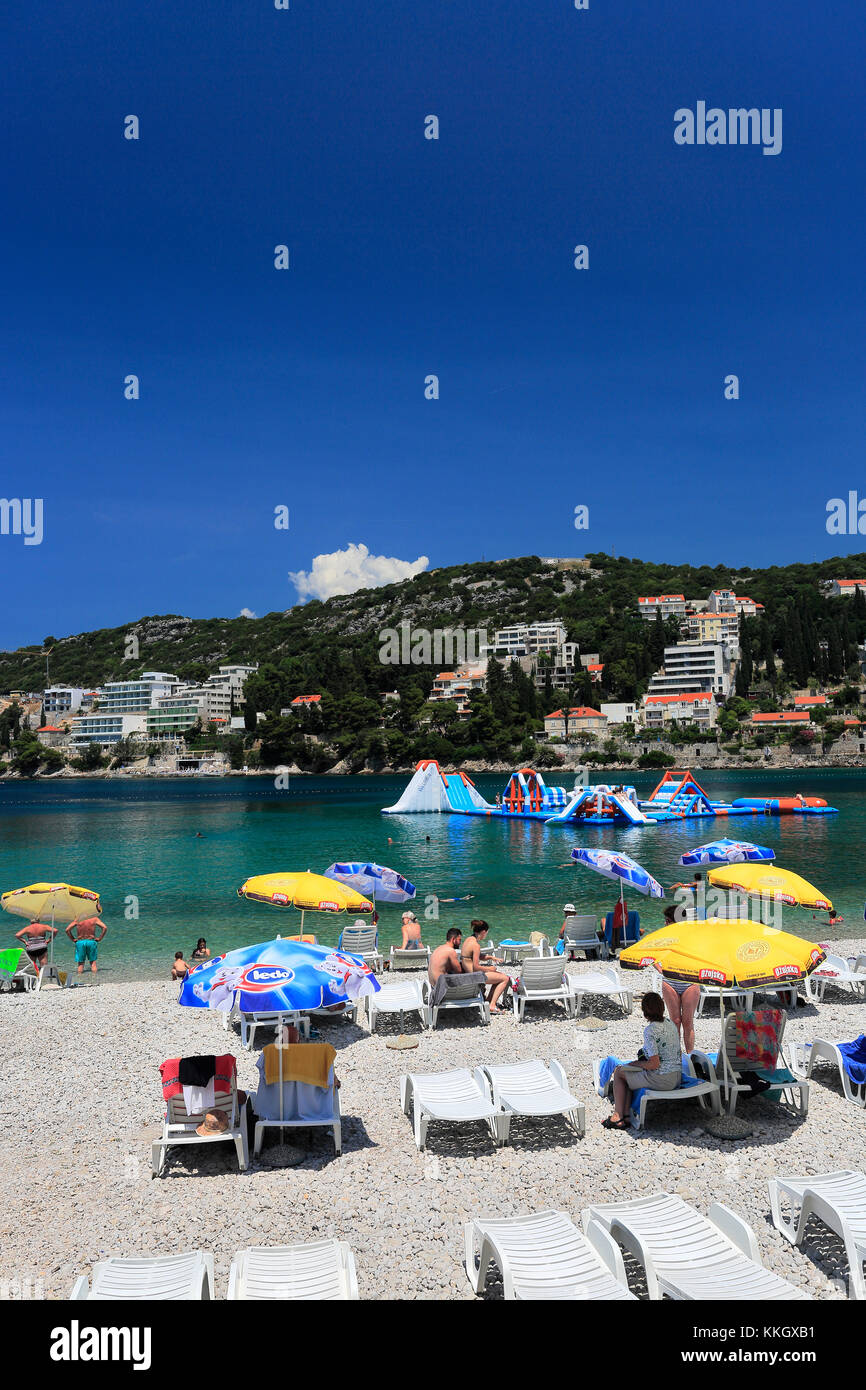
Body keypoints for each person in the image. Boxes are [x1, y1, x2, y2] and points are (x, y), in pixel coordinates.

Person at [603, 992, 682, 1129]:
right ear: (662, 1008)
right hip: (676, 1077)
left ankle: (617, 1116)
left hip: (662, 1079)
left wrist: (634, 1064)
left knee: (619, 1072)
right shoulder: (671, 1024)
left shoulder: (650, 1031)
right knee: (628, 1075)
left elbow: (654, 1064)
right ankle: (626, 1115)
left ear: (645, 1012)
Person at [461, 920, 509, 1014]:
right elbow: (476, 967)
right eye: (486, 933)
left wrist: (491, 957)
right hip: (474, 975)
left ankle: (488, 1001)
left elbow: (476, 956)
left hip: (467, 972)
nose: (486, 935)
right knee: (504, 978)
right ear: (483, 932)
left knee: (498, 976)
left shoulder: (469, 939)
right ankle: (492, 1005)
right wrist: (489, 969)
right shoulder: (476, 945)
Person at [661, 970, 700, 1054]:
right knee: (675, 1021)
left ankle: (690, 1055)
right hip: (669, 981)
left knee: (688, 1022)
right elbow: (652, 957)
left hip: (691, 980)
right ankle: (675, 1055)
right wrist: (659, 968)